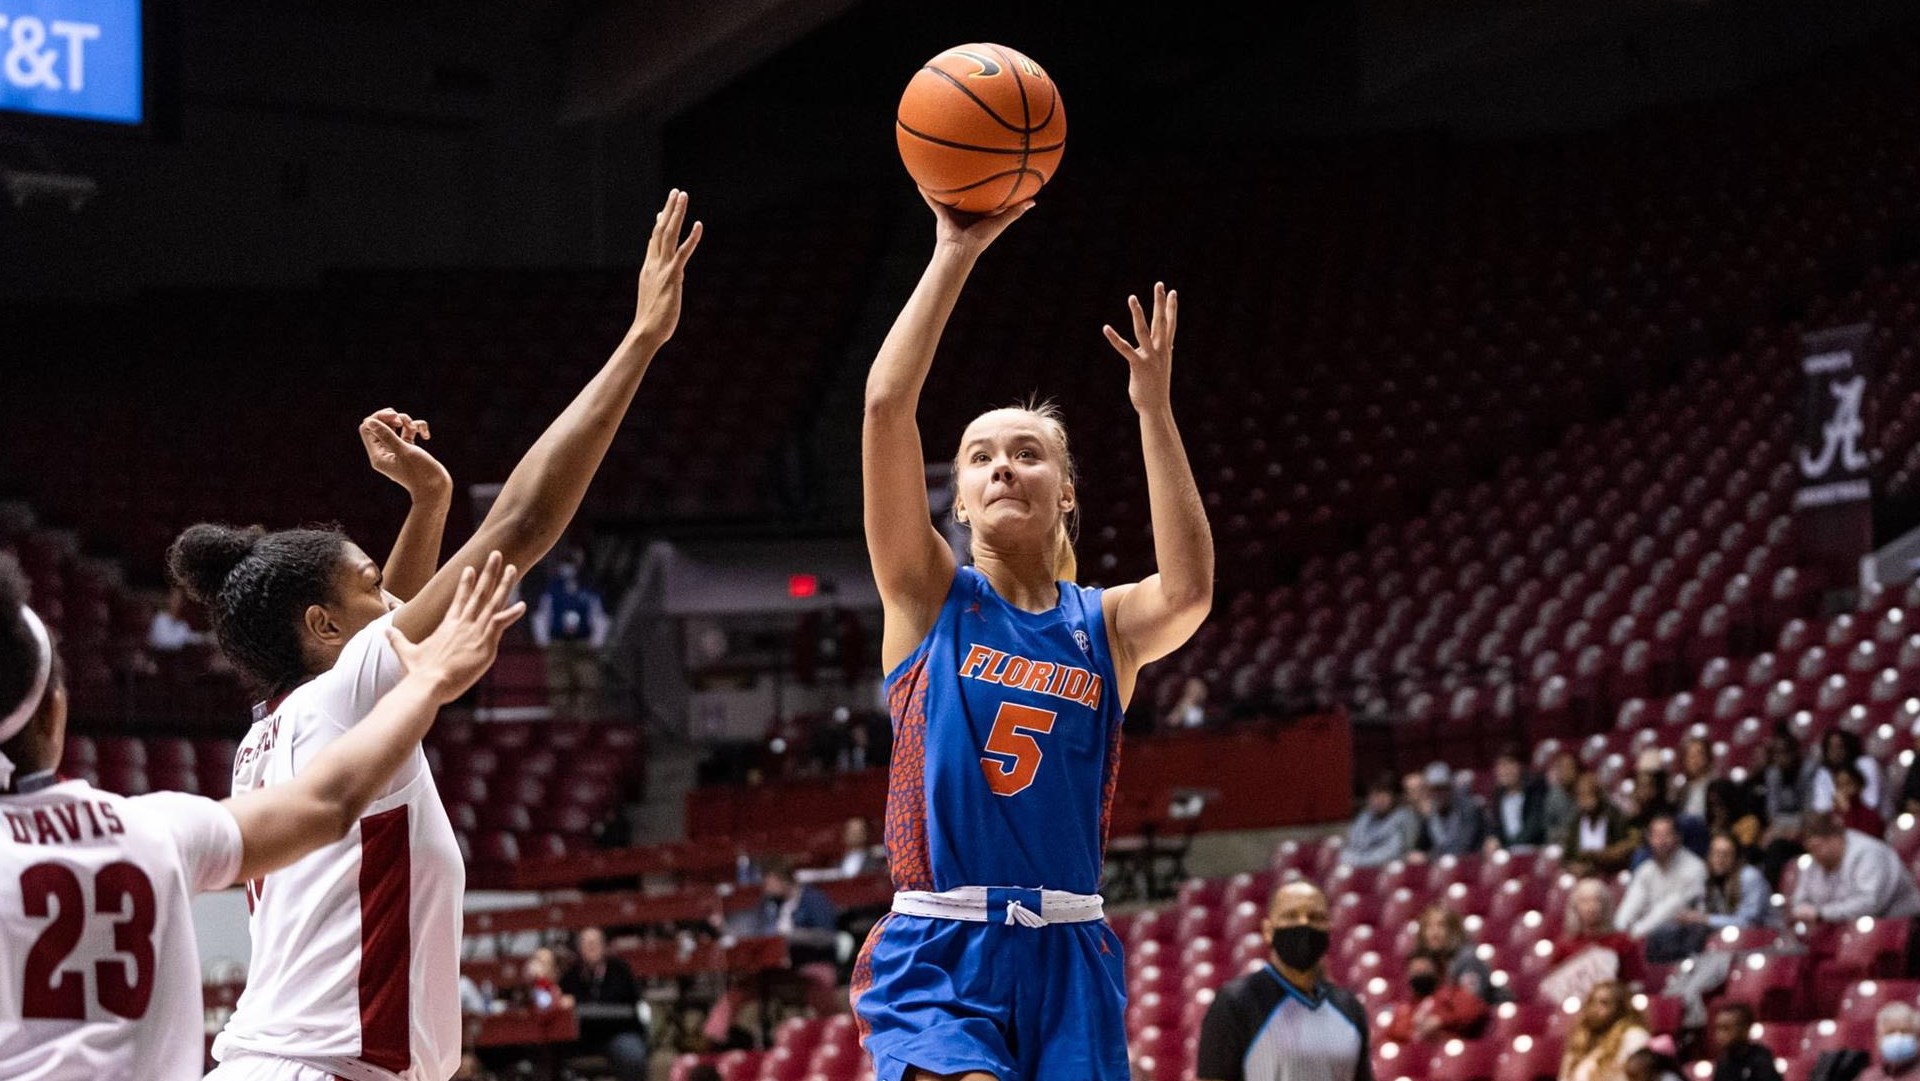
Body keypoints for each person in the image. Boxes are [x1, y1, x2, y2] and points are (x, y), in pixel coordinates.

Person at [178, 189, 700, 1081]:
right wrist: (640, 340)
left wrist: (430, 500)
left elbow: (395, 619)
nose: (395, 597)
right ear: (322, 625)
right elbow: (526, 523)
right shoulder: (343, 696)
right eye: (370, 585)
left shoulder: (282, 726)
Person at [849, 190, 1213, 1081]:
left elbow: (1192, 589)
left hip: (1069, 946)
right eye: (980, 456)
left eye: (1026, 451)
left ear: (1066, 492)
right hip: (942, 943)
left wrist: (1153, 412)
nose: (1002, 463)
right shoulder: (928, 594)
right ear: (960, 498)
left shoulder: (1106, 626)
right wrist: (954, 253)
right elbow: (887, 408)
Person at [0, 550, 524, 1080]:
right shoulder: (153, 828)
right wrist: (427, 683)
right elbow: (329, 804)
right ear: (56, 711)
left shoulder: (271, 735)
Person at [1194, 882, 1372, 1081]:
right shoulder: (1235, 1002)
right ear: (1268, 930)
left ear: (1329, 928)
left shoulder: (1350, 1008)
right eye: (1291, 916)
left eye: (1316, 917)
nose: (1304, 924)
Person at [704, 856, 843, 1046]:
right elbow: (753, 932)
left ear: (781, 879)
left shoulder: (813, 900)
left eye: (769, 882)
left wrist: (790, 937)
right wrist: (725, 928)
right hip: (776, 970)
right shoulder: (770, 905)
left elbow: (828, 938)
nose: (766, 887)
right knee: (740, 990)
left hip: (811, 965)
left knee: (817, 990)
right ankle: (716, 1038)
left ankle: (836, 1036)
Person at [1788, 811, 1920, 926]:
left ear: (1835, 838)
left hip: (1902, 928)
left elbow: (1870, 904)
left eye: (1817, 847)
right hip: (1847, 932)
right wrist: (1803, 910)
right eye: (1809, 849)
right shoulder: (1814, 861)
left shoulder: (1868, 853)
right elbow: (1800, 901)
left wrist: (1821, 913)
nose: (1814, 854)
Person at [531, 546, 611, 719]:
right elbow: (541, 616)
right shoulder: (552, 589)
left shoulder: (589, 589)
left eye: (571, 563)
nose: (568, 568)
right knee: (559, 685)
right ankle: (562, 724)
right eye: (565, 563)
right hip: (558, 642)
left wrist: (596, 641)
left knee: (588, 683)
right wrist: (544, 640)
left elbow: (599, 617)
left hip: (583, 643)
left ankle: (585, 722)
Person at [560, 926, 648, 1081]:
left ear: (604, 947)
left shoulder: (620, 970)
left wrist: (588, 1008)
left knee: (632, 1054)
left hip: (618, 1032)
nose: (591, 948)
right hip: (583, 1036)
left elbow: (629, 1004)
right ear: (579, 949)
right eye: (586, 944)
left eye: (595, 943)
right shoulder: (571, 975)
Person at [1544, 878, 1644, 1004]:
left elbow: (1634, 984)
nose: (1591, 907)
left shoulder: (1623, 942)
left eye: (1597, 900)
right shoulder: (1564, 945)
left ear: (1606, 905)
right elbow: (1555, 987)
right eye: (1584, 901)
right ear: (1575, 907)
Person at [1615, 814, 1708, 944]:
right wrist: (1618, 932)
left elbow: (1670, 909)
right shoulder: (1645, 869)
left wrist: (1634, 933)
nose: (1661, 841)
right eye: (1656, 835)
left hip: (1683, 937)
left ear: (1678, 837)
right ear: (1649, 838)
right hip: (1646, 935)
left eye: (1666, 835)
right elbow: (1631, 905)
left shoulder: (1694, 867)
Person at [1381, 949, 1488, 1045]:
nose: (1419, 975)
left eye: (1424, 969)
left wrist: (1441, 1020)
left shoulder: (1453, 994)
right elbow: (1391, 1036)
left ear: (1437, 971)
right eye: (1415, 971)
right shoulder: (1406, 1008)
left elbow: (1474, 1011)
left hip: (1447, 1056)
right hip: (1412, 1059)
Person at [1557, 980, 1651, 1081]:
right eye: (1591, 1002)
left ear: (1620, 1008)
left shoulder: (1634, 1036)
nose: (1595, 1008)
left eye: (1604, 1003)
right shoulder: (1579, 1043)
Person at [1413, 902, 1499, 1006]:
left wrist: (1439, 1017)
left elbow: (1470, 1004)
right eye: (1429, 927)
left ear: (1453, 930)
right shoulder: (1431, 962)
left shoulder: (1468, 960)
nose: (1434, 933)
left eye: (1441, 926)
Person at [1562, 770, 1642, 877]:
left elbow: (1631, 844)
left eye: (1589, 793)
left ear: (1598, 793)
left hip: (1610, 874)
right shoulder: (1576, 821)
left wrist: (1600, 855)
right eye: (1581, 794)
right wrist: (1574, 867)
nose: (1585, 799)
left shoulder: (1614, 816)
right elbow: (1566, 857)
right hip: (1581, 877)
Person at [1344, 770, 1421, 869]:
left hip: (1389, 871)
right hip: (1359, 868)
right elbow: (1350, 846)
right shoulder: (1365, 816)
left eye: (1383, 794)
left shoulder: (1404, 818)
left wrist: (1356, 861)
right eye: (1374, 794)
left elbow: (1390, 854)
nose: (1378, 799)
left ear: (1394, 797)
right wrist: (1353, 860)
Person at [1485, 742, 1550, 851]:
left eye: (1509, 764)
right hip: (1508, 854)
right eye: (1500, 765)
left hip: (1534, 850)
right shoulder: (1497, 797)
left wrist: (1505, 847)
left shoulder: (1535, 791)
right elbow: (1496, 829)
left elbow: (1533, 828)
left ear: (1521, 766)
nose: (1504, 770)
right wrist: (1493, 840)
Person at [1415, 761, 1487, 858]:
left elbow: (1463, 847)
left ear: (1451, 787)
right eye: (1434, 790)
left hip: (1467, 865)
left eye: (1442, 788)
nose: (1438, 794)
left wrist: (1429, 856)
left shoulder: (1468, 808)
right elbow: (1420, 848)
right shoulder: (1429, 814)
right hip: (1442, 869)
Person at [1812, 728, 1884, 816]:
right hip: (1837, 821)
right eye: (1830, 747)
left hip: (1869, 819)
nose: (1835, 752)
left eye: (1840, 746)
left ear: (1849, 747)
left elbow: (1871, 802)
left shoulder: (1866, 764)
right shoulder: (1824, 771)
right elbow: (1820, 807)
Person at [1709, 1003, 1781, 1081]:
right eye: (1718, 1028)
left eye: (1726, 1029)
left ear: (1745, 1029)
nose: (1720, 1035)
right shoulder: (1723, 1062)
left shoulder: (1761, 1059)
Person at [1858, 1002, 1920, 1081]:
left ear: (1917, 1039)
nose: (1898, 1037)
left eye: (1905, 1031)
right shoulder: (1868, 1077)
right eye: (1890, 1032)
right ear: (1879, 1040)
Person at [1832, 760, 1888, 837]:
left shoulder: (1870, 816)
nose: (1843, 790)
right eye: (1839, 785)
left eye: (1848, 784)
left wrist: (1847, 811)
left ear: (1859, 786)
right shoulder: (1831, 817)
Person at [1543, 749, 1583, 843]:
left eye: (1568, 767)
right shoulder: (1553, 795)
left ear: (1577, 769)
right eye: (1560, 767)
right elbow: (1547, 829)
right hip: (1561, 844)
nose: (1565, 772)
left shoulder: (1587, 791)